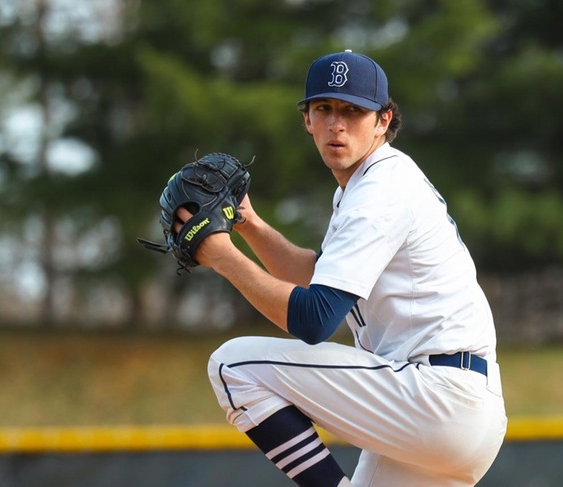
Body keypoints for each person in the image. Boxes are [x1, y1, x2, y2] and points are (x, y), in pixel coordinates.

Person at [186, 50, 506, 487]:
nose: (337, 124)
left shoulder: (382, 188)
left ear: (383, 120)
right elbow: (320, 279)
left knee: (234, 366)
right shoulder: (370, 184)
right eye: (325, 108)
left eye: (353, 111)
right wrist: (248, 224)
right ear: (307, 120)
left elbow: (315, 319)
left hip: (435, 396)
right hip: (450, 409)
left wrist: (220, 255)